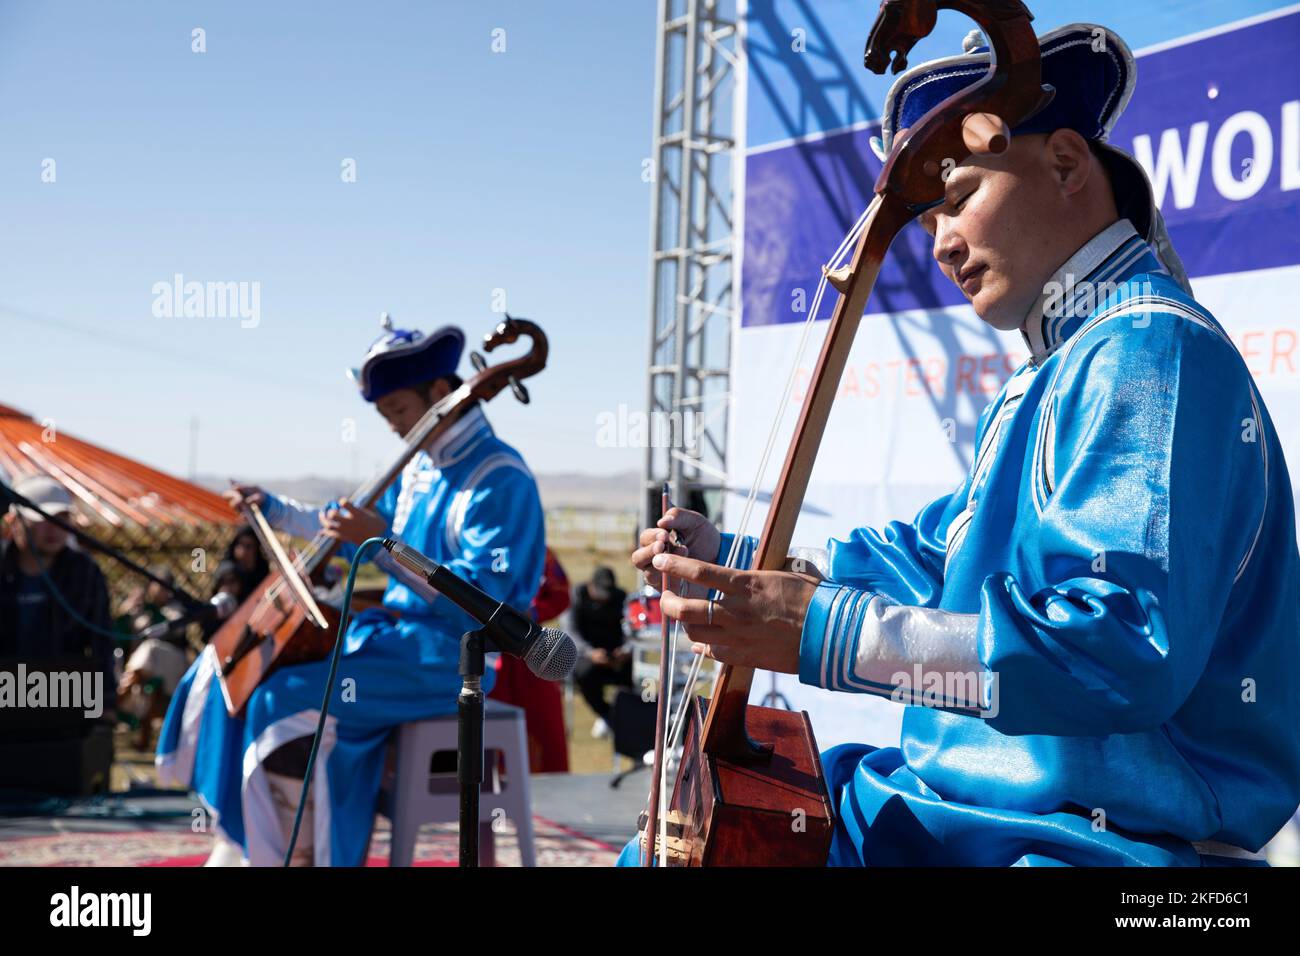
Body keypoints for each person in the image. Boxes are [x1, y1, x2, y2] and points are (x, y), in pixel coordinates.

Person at [622, 24, 1300, 866]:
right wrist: (741, 562)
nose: (939, 240)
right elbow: (943, 565)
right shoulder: (1063, 362)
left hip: (1091, 839)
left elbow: (1122, 647)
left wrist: (828, 634)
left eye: (957, 196)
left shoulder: (1148, 348)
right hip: (976, 810)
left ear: (1065, 164)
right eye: (930, 213)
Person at [156, 316, 546, 866]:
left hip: (449, 663)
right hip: (396, 643)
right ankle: (252, 843)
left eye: (400, 413)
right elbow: (349, 530)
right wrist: (273, 508)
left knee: (281, 700)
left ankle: (305, 855)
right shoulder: (421, 472)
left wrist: (382, 547)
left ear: (440, 394)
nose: (393, 429)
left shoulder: (498, 478)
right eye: (387, 417)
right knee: (241, 670)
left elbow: (486, 603)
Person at [0, 474, 115, 720]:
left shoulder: (84, 572)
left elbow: (101, 641)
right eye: (42, 519)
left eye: (61, 518)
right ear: (14, 521)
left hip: (63, 699)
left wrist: (104, 701)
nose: (53, 528)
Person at [568, 566, 629, 739]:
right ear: (590, 585)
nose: (605, 597)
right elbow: (571, 631)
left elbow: (630, 629)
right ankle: (607, 716)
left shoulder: (621, 597)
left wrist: (625, 651)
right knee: (585, 675)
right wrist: (591, 653)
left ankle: (631, 719)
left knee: (640, 677)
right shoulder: (576, 596)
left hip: (618, 657)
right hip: (588, 656)